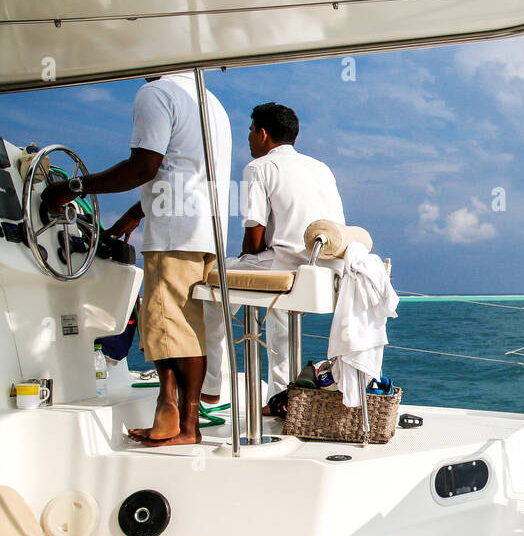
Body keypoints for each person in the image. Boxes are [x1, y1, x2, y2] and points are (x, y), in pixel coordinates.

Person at [41, 73, 232, 446]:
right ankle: (172, 414)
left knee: (167, 325)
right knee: (184, 330)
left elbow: (144, 166)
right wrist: (136, 212)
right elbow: (183, 171)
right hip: (205, 231)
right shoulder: (208, 99)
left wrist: (71, 188)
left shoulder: (156, 93)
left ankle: (185, 426)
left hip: (174, 234)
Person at [209, 103, 346, 403]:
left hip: (284, 266)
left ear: (263, 133)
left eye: (250, 131)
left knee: (212, 285)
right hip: (324, 268)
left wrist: (246, 254)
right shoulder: (321, 168)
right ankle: (281, 399)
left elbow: (254, 235)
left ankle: (210, 385)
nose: (248, 138)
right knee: (277, 318)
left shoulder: (258, 168)